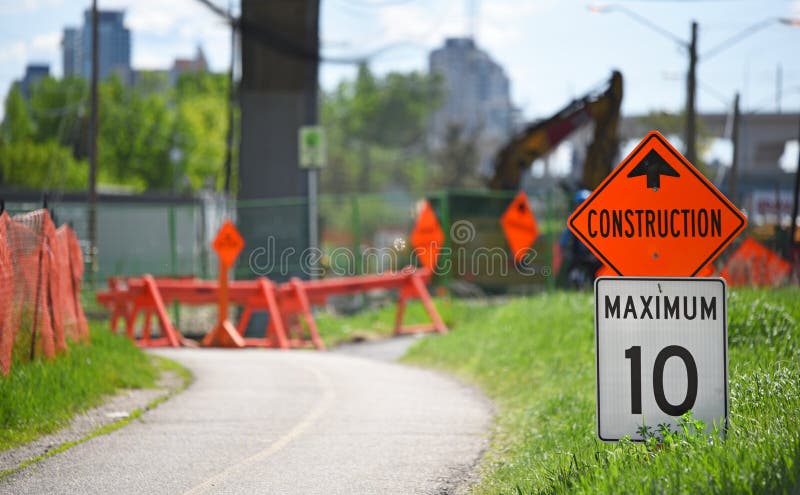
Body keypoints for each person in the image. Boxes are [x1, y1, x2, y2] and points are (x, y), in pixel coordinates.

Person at [559, 189, 602, 289]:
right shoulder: (573, 220)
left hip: (594, 254)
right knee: (572, 270)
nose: (582, 206)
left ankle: (594, 287)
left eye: (585, 203)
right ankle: (576, 285)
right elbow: (565, 237)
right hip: (579, 253)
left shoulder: (596, 219)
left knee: (596, 273)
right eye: (579, 203)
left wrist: (596, 254)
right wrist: (562, 248)